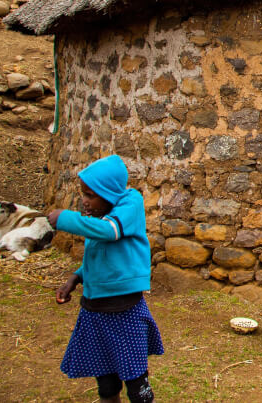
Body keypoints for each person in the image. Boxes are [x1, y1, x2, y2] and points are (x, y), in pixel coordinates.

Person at [47, 155, 163, 403]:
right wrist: (75, 278)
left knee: (135, 378)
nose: (84, 202)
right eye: (83, 194)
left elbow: (110, 233)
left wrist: (66, 219)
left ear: (109, 192)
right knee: (106, 380)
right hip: (95, 308)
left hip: (123, 310)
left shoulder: (129, 204)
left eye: (90, 195)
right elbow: (99, 254)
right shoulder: (103, 214)